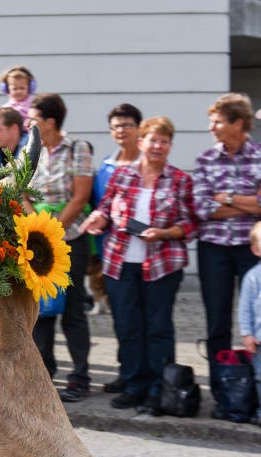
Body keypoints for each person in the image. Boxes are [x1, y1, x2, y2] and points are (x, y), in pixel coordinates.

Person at [81, 116, 196, 413]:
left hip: (162, 265)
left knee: (158, 328)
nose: (158, 146)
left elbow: (190, 224)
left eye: (164, 141)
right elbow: (105, 208)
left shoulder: (180, 179)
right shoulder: (122, 175)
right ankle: (134, 385)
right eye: (153, 140)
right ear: (141, 142)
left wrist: (165, 233)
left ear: (170, 145)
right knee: (127, 327)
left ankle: (159, 388)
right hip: (121, 262)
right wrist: (98, 218)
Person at [191, 93, 261, 420]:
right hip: (214, 248)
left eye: (218, 121)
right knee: (217, 322)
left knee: (257, 321)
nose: (212, 127)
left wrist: (228, 197)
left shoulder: (260, 155)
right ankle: (223, 395)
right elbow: (203, 208)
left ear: (238, 123)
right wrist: (248, 202)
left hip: (253, 248)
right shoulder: (206, 159)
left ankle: (256, 394)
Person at [24, 93, 93, 402]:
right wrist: (38, 230)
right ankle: (44, 375)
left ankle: (79, 375)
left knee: (73, 309)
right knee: (43, 310)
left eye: (33, 117)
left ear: (50, 122)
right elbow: (22, 189)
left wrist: (55, 231)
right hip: (39, 237)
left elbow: (80, 196)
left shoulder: (77, 148)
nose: (28, 122)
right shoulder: (31, 149)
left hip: (70, 239)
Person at [91, 103, 144, 392]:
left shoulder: (149, 163)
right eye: (115, 126)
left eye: (126, 125)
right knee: (123, 322)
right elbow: (102, 206)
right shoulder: (106, 167)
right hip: (113, 255)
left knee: (150, 323)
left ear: (139, 128)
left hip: (149, 255)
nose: (121, 131)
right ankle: (129, 376)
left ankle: (152, 379)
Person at [238, 221, 261, 427]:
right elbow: (245, 308)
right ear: (255, 250)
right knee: (260, 377)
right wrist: (246, 333)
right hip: (259, 340)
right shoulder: (253, 277)